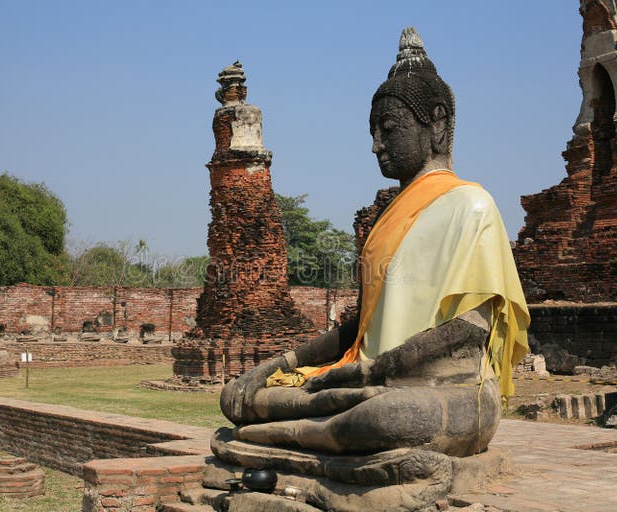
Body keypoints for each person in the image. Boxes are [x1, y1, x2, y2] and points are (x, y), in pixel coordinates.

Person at [219, 27, 529, 457]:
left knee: (385, 418)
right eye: (372, 131)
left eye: (388, 128)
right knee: (242, 396)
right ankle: (298, 433)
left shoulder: (471, 206)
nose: (375, 145)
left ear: (436, 122)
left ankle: (274, 439)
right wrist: (279, 364)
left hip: (440, 387)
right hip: (366, 380)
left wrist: (375, 370)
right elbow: (361, 325)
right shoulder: (387, 220)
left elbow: (470, 328)